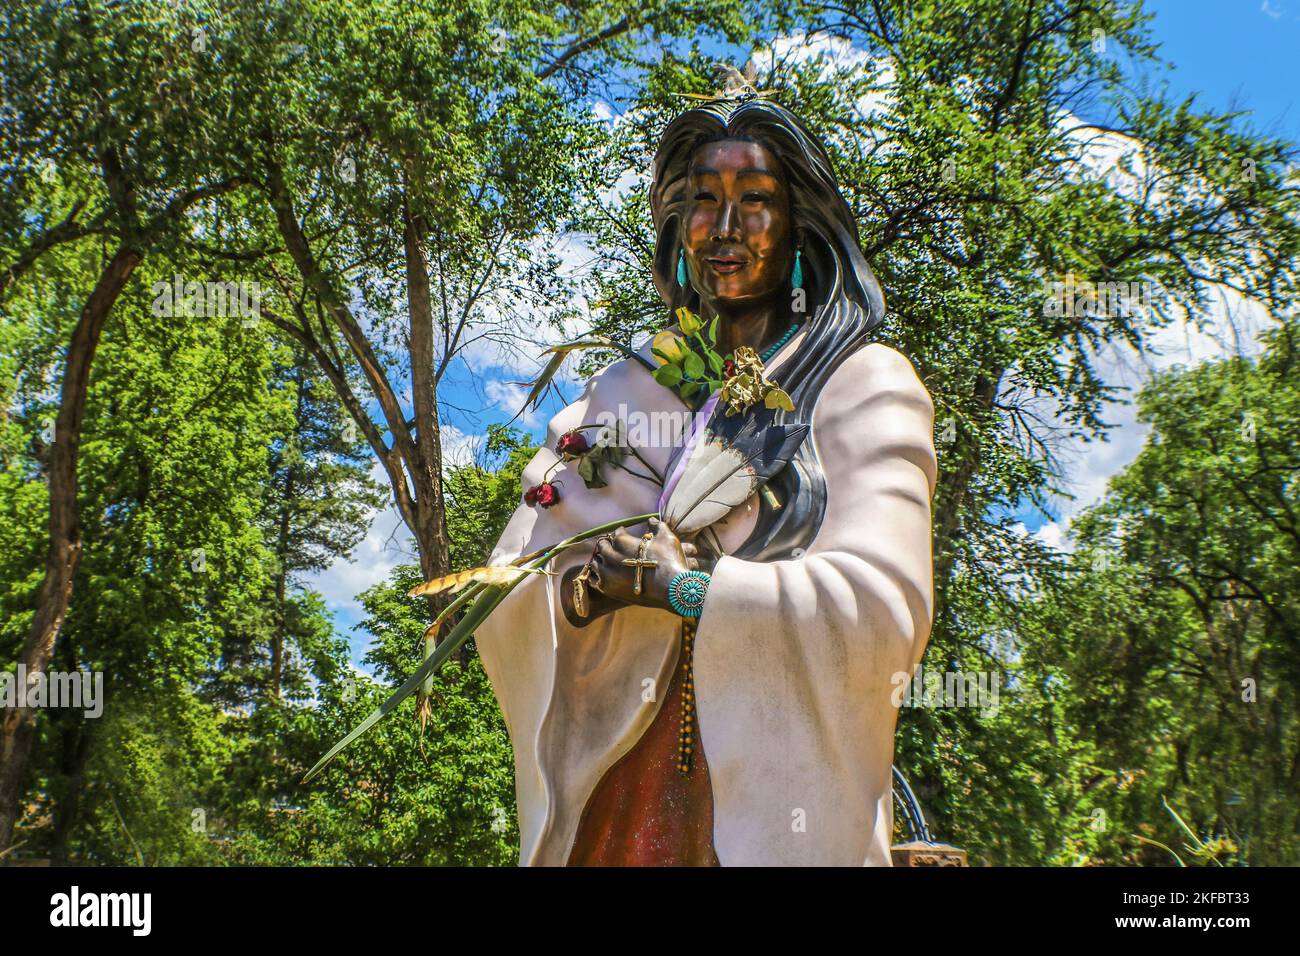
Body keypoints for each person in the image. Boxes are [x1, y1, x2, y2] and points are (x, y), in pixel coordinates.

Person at [474, 93, 937, 866]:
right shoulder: (624, 392)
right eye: (701, 200)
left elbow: (882, 612)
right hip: (622, 794)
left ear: (800, 226)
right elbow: (513, 584)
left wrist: (685, 592)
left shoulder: (863, 387)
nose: (724, 227)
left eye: (754, 200)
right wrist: (586, 590)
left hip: (779, 802)